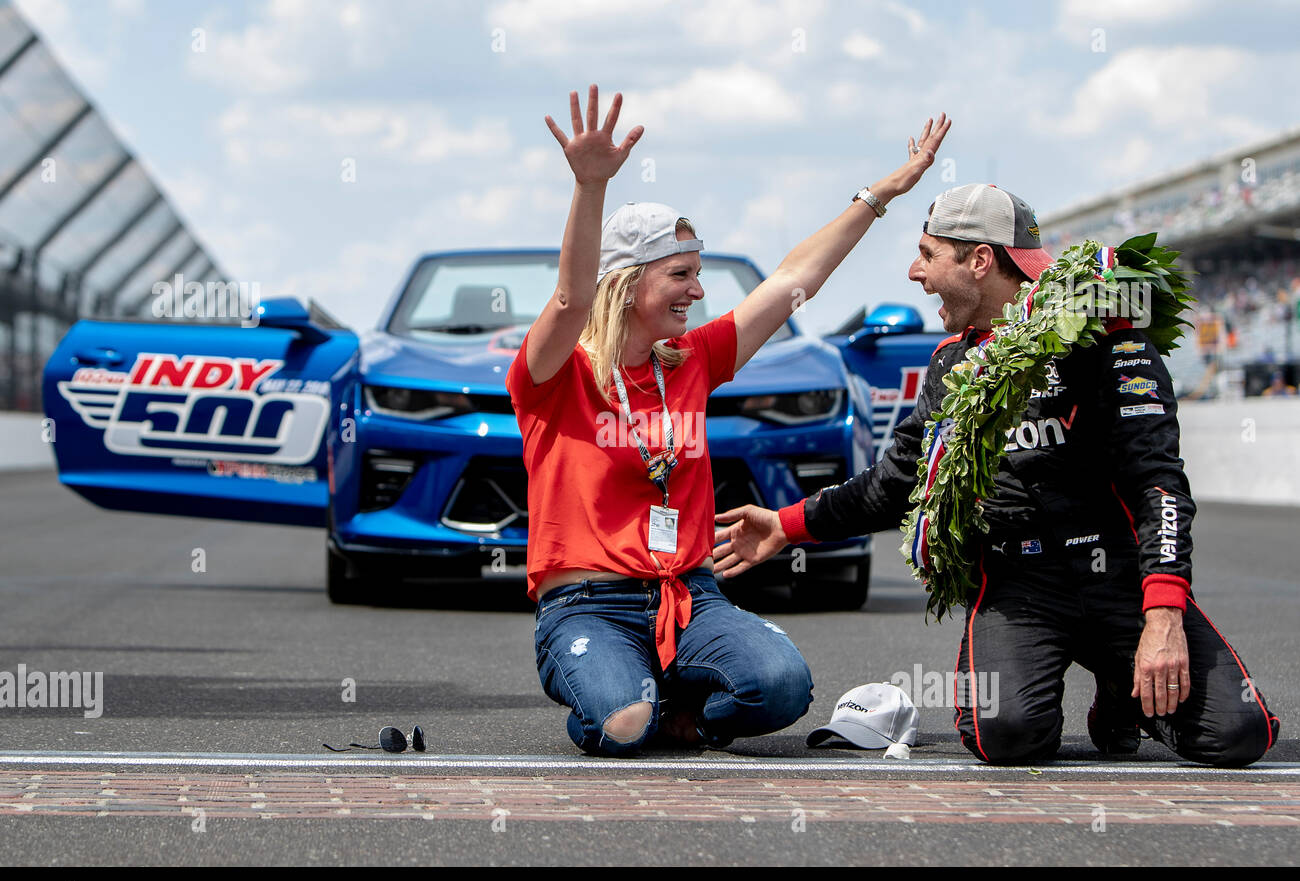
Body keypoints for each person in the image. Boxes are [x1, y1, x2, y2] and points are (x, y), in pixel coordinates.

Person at [713, 183, 1280, 767]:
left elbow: (1159, 485)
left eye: (928, 254)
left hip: (1119, 575)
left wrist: (1163, 616)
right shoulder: (950, 363)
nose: (915, 272)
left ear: (979, 260)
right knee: (1007, 737)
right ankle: (1109, 683)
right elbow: (897, 482)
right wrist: (787, 524)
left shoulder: (1109, 340)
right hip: (1019, 583)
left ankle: (1123, 692)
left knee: (1236, 734)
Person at [506, 85, 950, 756]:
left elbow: (796, 278)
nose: (699, 290)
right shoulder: (553, 376)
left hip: (689, 597)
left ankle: (677, 705)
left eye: (698, 273)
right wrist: (589, 188)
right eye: (682, 274)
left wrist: (883, 192)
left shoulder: (691, 359)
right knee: (623, 726)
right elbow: (571, 300)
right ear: (629, 285)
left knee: (782, 685)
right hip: (588, 603)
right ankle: (623, 702)